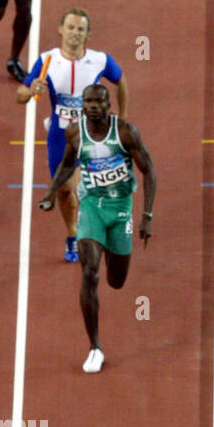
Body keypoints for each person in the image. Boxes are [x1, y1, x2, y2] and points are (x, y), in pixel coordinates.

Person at [39, 85, 156, 372]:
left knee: (116, 281)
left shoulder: (126, 132)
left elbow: (149, 171)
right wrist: (51, 192)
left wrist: (147, 215)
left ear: (108, 105)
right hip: (91, 206)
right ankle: (95, 346)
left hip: (120, 210)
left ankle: (110, 248)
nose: (92, 106)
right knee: (89, 272)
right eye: (87, 102)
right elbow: (67, 165)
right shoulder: (75, 134)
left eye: (98, 102)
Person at [17, 8, 128, 261]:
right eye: (70, 27)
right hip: (60, 136)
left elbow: (121, 81)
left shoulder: (100, 61)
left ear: (88, 34)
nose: (74, 33)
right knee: (65, 191)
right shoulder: (47, 61)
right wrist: (31, 88)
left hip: (92, 136)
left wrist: (123, 118)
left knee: (87, 190)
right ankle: (72, 234)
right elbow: (20, 97)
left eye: (80, 29)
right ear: (60, 29)